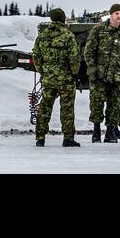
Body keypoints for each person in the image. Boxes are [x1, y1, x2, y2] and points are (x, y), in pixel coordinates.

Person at [82, 2, 120, 143]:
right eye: (116, 13)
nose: (119, 16)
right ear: (111, 15)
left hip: (117, 76)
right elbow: (89, 50)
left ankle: (110, 133)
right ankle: (96, 132)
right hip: (100, 74)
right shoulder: (99, 30)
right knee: (97, 104)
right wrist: (91, 67)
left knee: (114, 105)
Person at [30, 8, 81, 147]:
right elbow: (74, 58)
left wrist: (43, 71)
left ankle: (40, 137)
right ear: (63, 19)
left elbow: (36, 56)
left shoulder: (43, 36)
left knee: (45, 108)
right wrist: (74, 73)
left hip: (48, 79)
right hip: (65, 79)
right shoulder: (68, 36)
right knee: (67, 109)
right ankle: (68, 138)